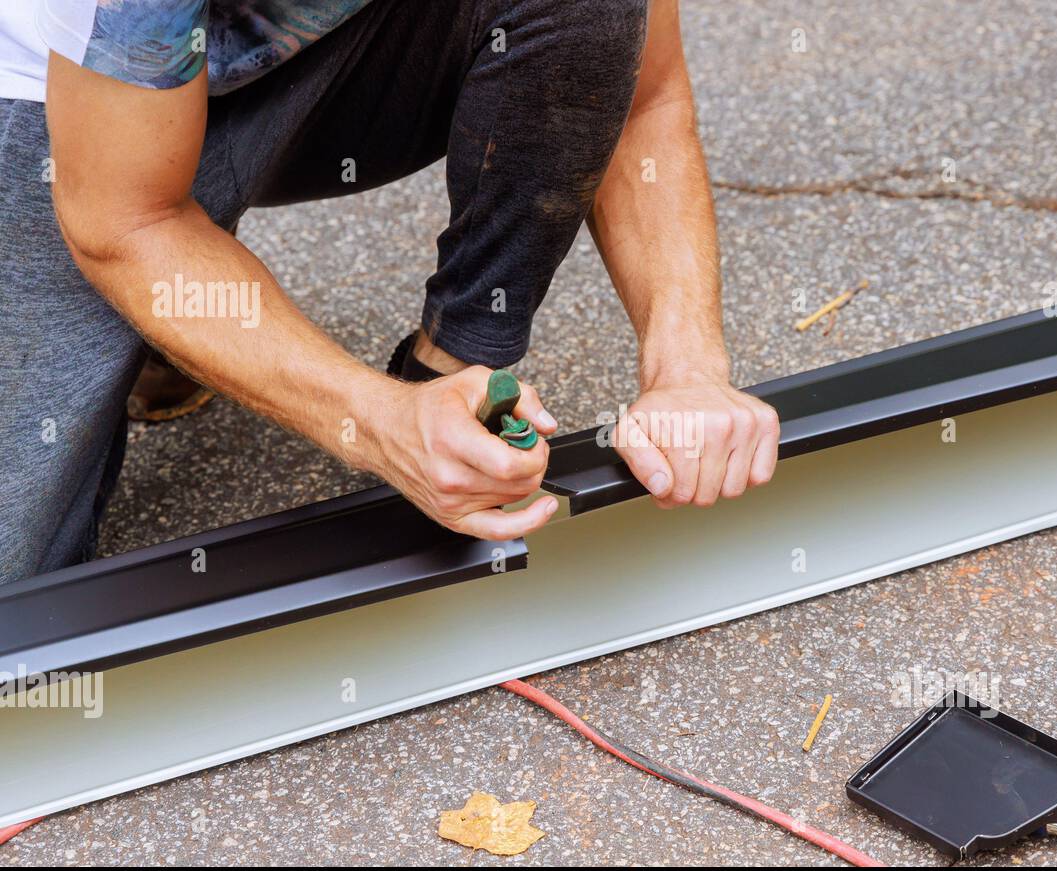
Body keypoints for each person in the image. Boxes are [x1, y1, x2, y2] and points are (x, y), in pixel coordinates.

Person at [0, 0, 779, 585]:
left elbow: (646, 95)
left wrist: (689, 370)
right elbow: (125, 223)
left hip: (309, 59)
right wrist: (371, 424)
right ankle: (171, 315)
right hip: (69, 113)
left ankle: (447, 392)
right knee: (20, 592)